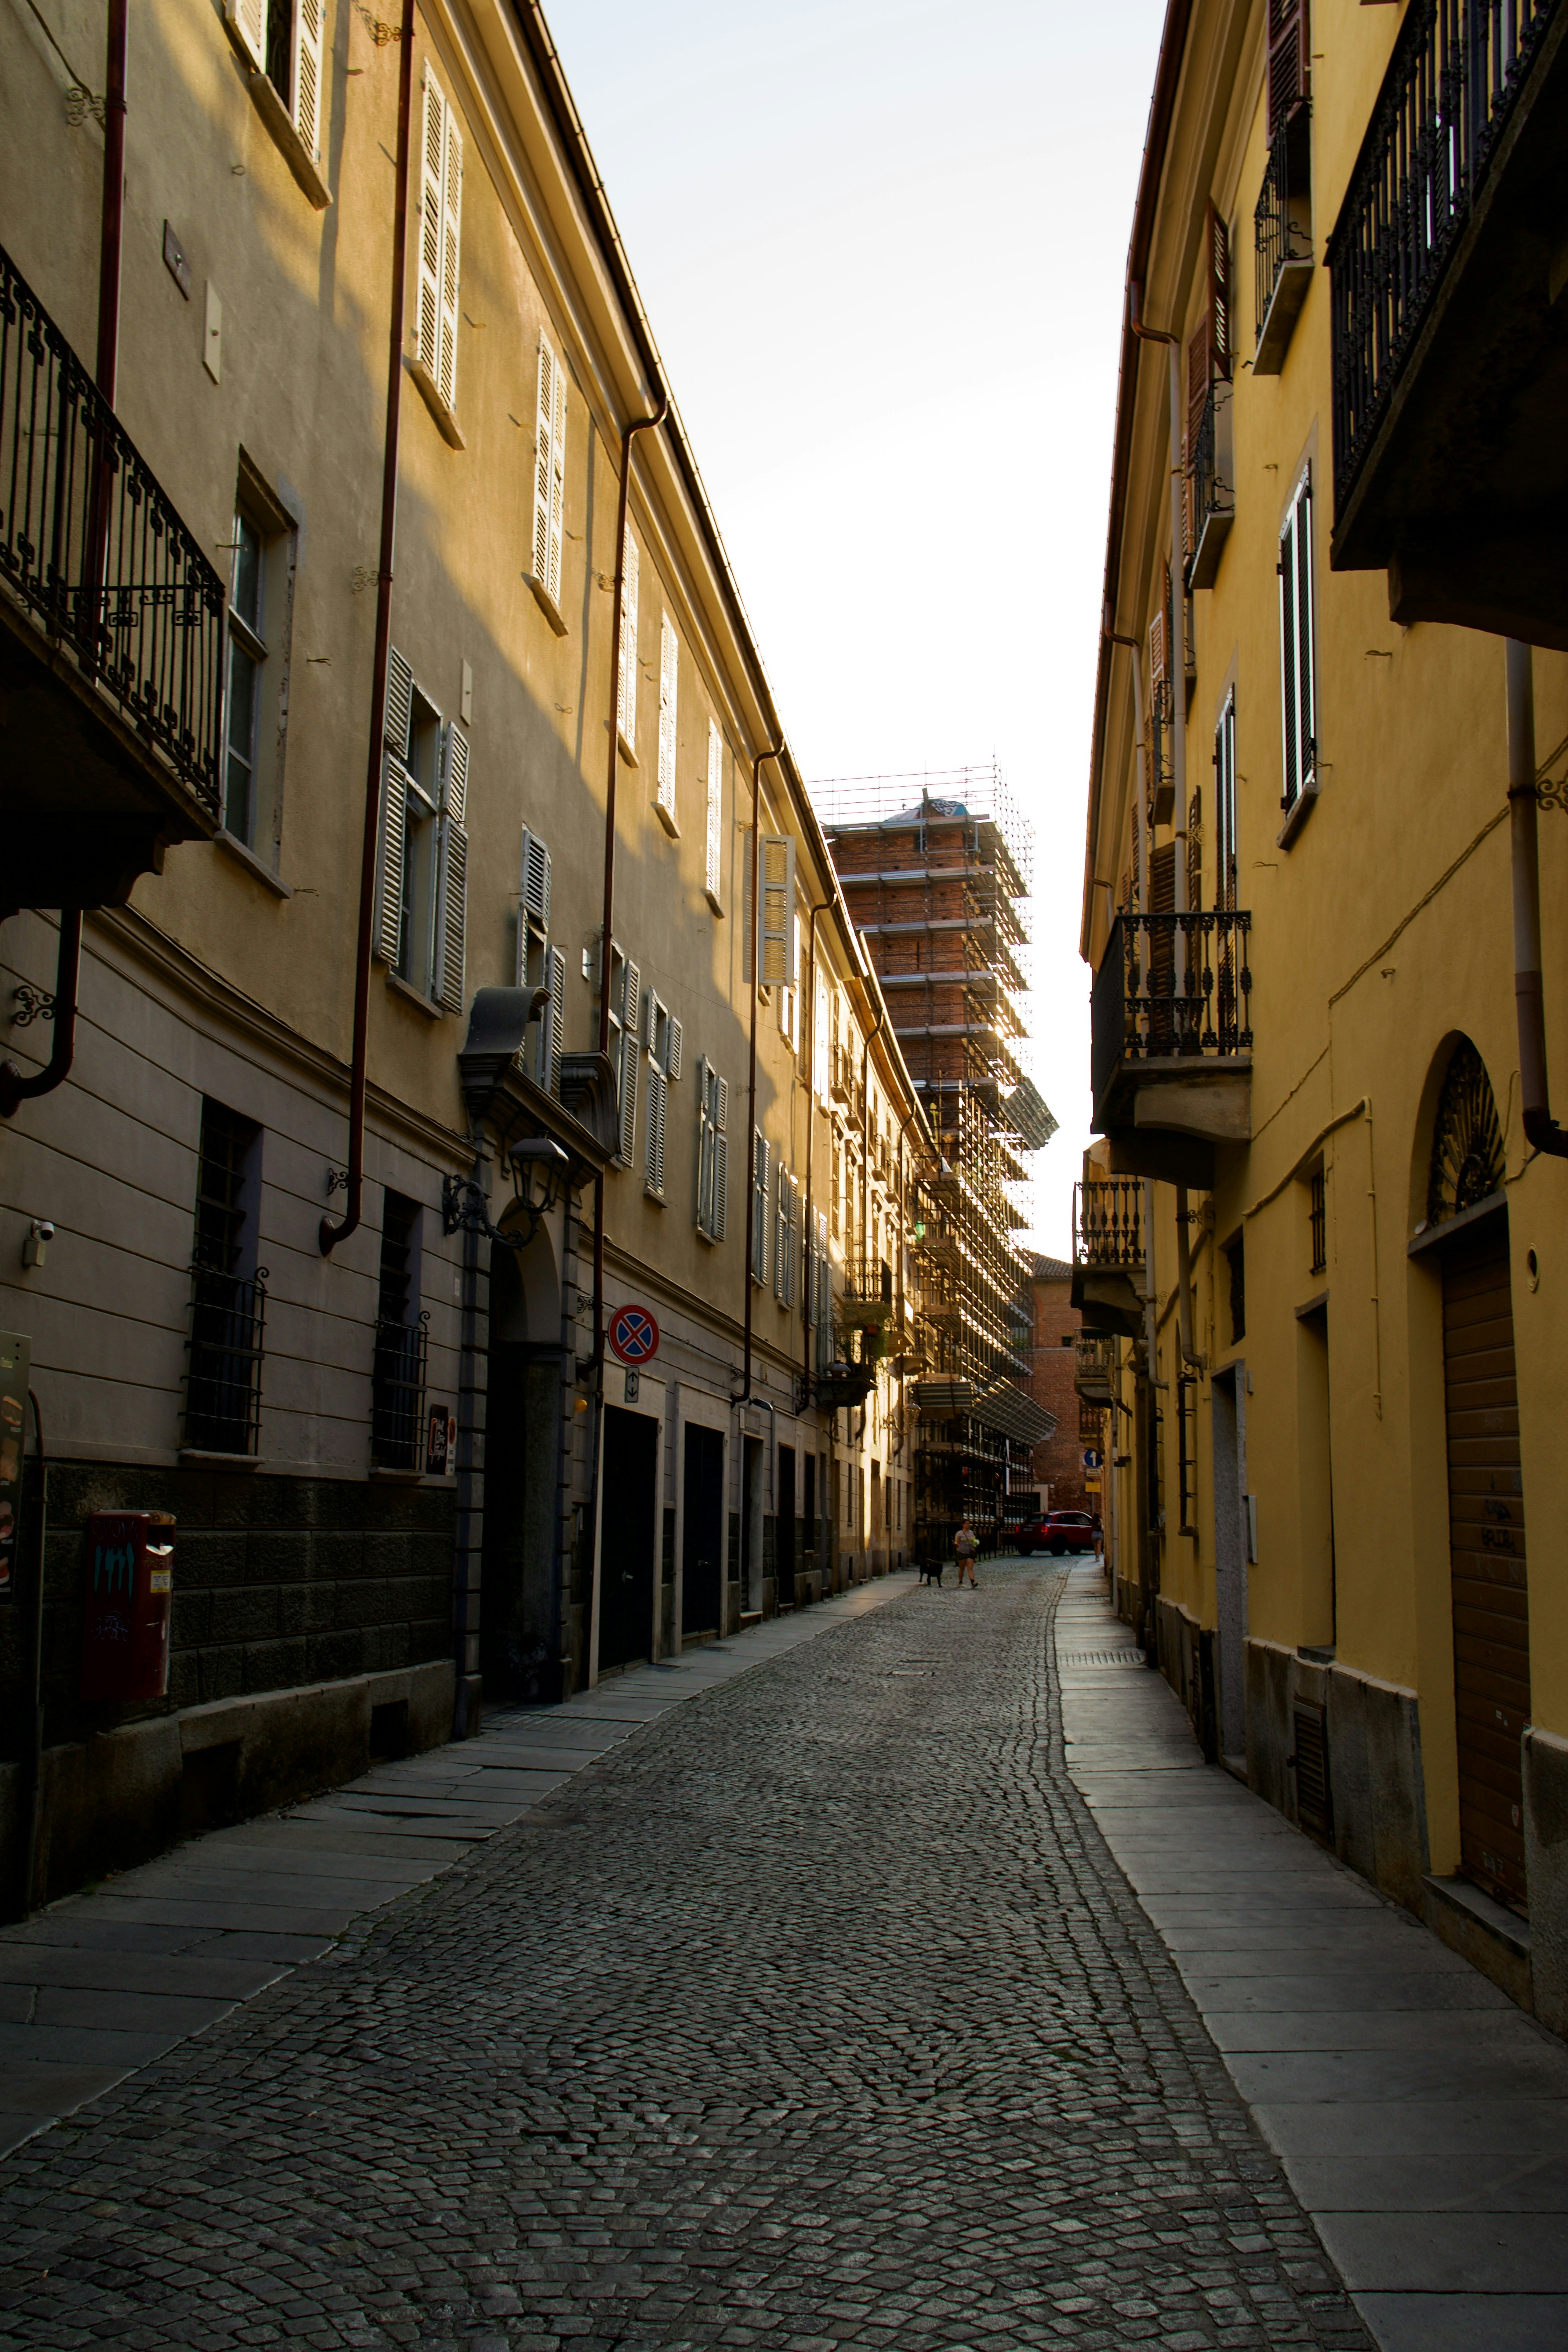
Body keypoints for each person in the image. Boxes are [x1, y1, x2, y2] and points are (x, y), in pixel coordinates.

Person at [953, 1517, 979, 1588]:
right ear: (963, 1525)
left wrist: (976, 1543)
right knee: (962, 1568)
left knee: (970, 1568)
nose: (969, 1525)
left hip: (970, 1552)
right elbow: (956, 1541)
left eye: (969, 1523)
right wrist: (956, 1544)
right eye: (967, 1524)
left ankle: (973, 1582)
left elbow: (974, 1540)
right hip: (962, 1552)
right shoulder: (959, 1533)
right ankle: (960, 1582)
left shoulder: (971, 1533)